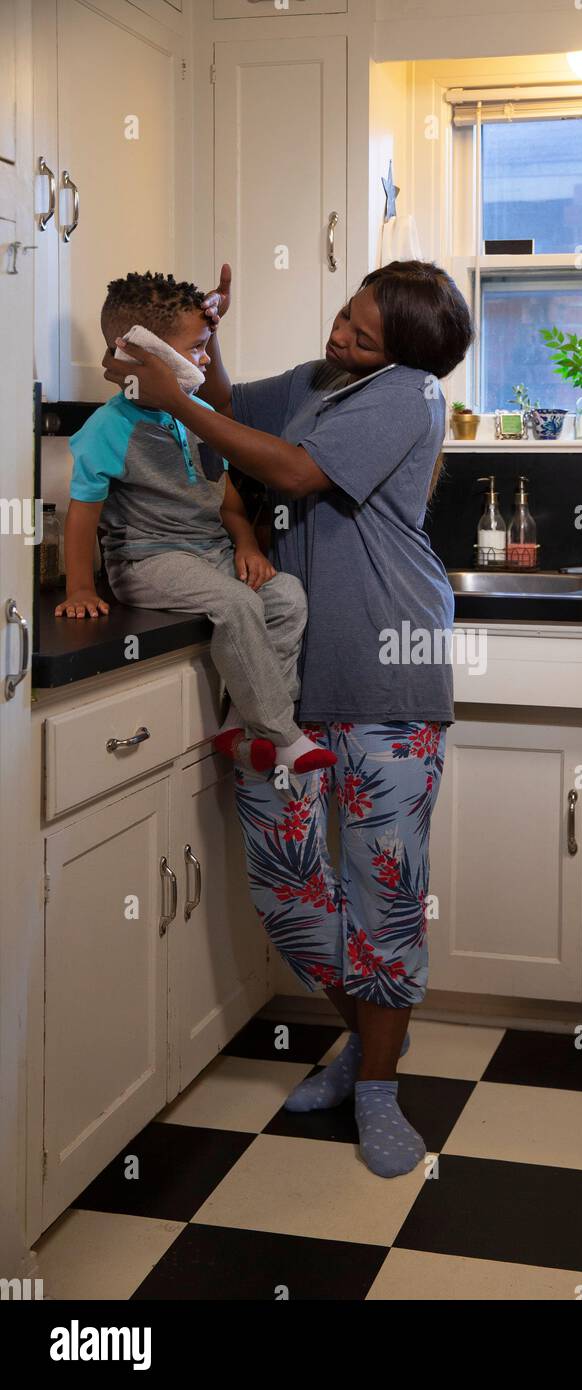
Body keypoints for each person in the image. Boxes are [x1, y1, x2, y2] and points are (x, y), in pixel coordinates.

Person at [101, 260, 473, 1178]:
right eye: (345, 315)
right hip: (292, 677)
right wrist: (200, 352)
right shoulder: (317, 379)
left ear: (406, 358)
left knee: (384, 895)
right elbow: (237, 404)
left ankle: (378, 1083)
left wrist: (175, 403)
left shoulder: (410, 395)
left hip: (388, 665)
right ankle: (368, 1044)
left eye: (363, 335)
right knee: (292, 891)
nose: (341, 336)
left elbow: (293, 471)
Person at [57, 270, 335, 778]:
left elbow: (225, 496)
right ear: (145, 355)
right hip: (148, 561)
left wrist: (247, 544)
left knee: (287, 595)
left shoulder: (198, 413)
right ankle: (281, 733)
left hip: (210, 554)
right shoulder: (109, 428)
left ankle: (239, 723)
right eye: (198, 348)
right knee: (236, 602)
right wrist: (78, 587)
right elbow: (82, 514)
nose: (206, 359)